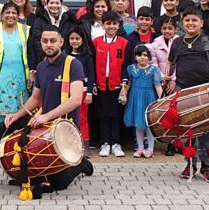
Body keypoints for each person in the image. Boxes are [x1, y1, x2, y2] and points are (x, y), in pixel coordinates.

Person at [0, 26, 95, 199]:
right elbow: (35, 98)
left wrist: (46, 116)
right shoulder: (41, 66)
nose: (48, 45)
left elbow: (75, 99)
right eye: (45, 41)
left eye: (52, 41)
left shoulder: (73, 64)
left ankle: (79, 163)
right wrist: (16, 115)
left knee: (58, 184)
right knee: (2, 128)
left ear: (61, 42)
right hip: (43, 123)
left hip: (64, 127)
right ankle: (29, 169)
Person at [164, 10, 209, 182]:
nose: (191, 23)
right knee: (185, 131)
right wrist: (167, 76)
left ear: (201, 23)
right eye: (187, 20)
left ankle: (206, 167)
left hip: (205, 92)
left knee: (206, 131)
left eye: (194, 20)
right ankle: (189, 164)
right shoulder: (177, 42)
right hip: (183, 91)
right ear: (182, 23)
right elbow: (170, 63)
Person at [0, 2, 32, 146]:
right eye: (7, 13)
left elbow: (32, 53)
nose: (10, 16)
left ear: (18, 15)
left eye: (13, 13)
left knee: (19, 107)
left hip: (20, 76)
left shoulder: (26, 30)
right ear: (2, 15)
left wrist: (32, 72)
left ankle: (14, 139)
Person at [92, 11, 129, 157]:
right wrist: (94, 83)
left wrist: (125, 84)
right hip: (101, 84)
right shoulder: (96, 42)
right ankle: (105, 143)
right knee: (103, 114)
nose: (111, 26)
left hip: (117, 85)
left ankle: (116, 143)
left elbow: (126, 64)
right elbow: (92, 64)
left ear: (118, 25)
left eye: (114, 24)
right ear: (103, 25)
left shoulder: (124, 43)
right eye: (108, 23)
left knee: (116, 114)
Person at [120, 44, 162, 158]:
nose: (142, 57)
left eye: (145, 55)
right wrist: (124, 94)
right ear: (135, 57)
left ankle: (150, 148)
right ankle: (140, 148)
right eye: (139, 55)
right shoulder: (131, 68)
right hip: (135, 97)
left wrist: (161, 100)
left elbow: (158, 86)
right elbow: (128, 84)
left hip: (149, 98)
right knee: (138, 124)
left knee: (149, 124)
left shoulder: (154, 69)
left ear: (149, 57)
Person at [65, 28, 95, 149]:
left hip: (82, 91)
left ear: (83, 40)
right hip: (67, 91)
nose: (74, 41)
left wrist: (89, 93)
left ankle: (84, 144)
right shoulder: (65, 55)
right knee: (67, 117)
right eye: (72, 38)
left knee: (82, 118)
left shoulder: (87, 56)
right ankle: (69, 144)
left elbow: (91, 75)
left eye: (77, 38)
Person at [30, 0, 77, 67]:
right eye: (51, 3)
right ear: (47, 4)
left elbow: (69, 41)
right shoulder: (39, 20)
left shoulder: (68, 20)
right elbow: (37, 41)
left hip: (65, 61)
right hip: (45, 60)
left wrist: (62, 56)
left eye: (57, 3)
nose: (54, 6)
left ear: (61, 5)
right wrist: (45, 55)